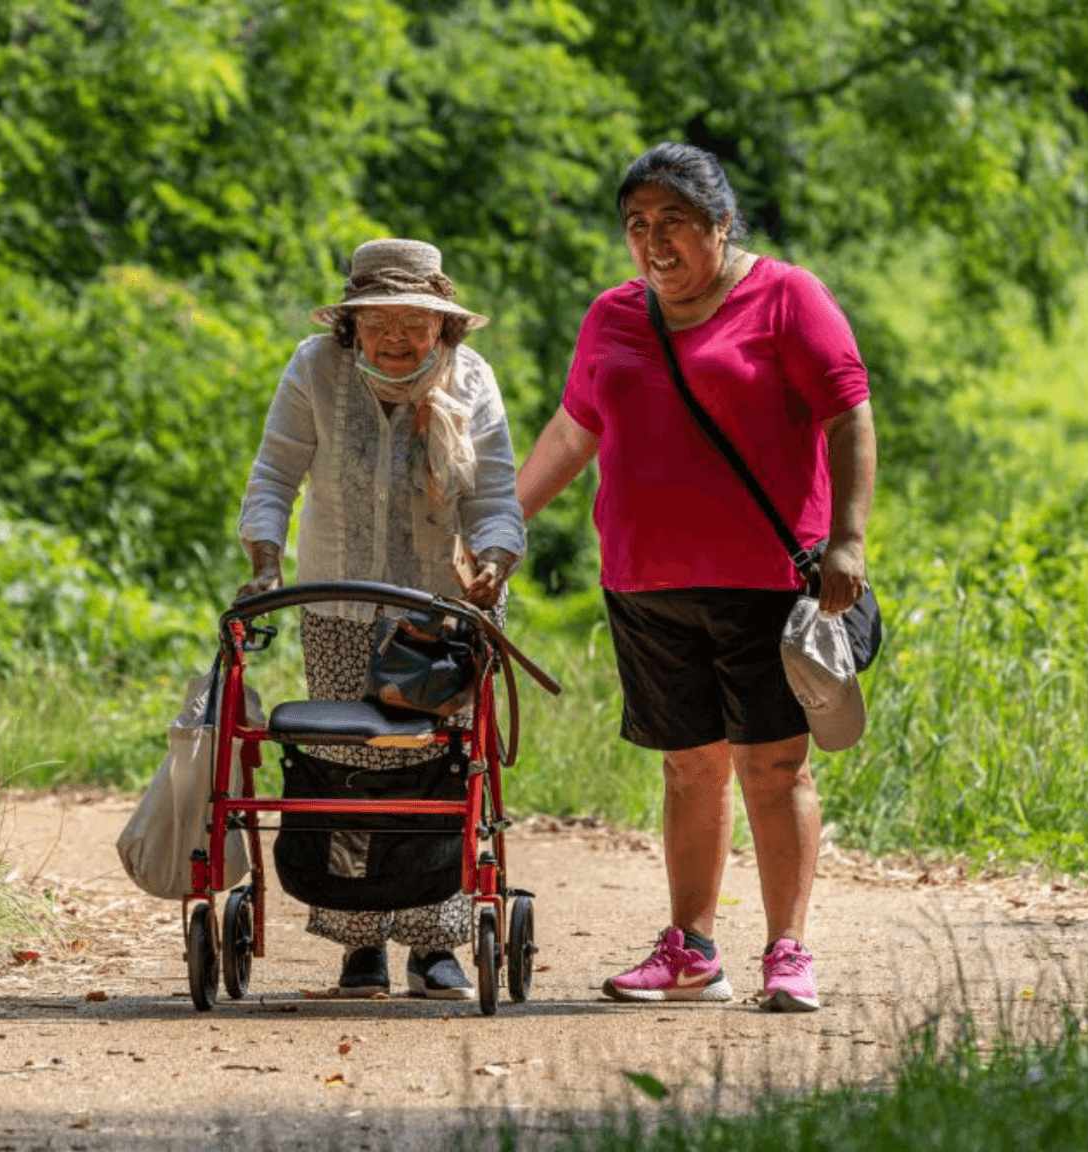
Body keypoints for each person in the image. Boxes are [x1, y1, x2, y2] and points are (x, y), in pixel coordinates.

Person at [516, 142, 877, 1012]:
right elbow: (573, 432)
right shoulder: (612, 315)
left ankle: (788, 951)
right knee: (688, 768)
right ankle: (692, 952)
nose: (654, 242)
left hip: (767, 583)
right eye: (638, 225)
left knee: (774, 765)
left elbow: (849, 416)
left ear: (721, 223)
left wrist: (849, 541)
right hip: (645, 583)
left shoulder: (787, 296)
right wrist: (499, 528)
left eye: (674, 221)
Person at [238, 238, 525, 999]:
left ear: (443, 324)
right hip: (335, 604)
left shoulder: (471, 379)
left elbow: (494, 497)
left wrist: (495, 563)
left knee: (437, 765)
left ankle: (434, 944)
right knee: (346, 765)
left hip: (437, 617)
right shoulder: (315, 369)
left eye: (414, 322)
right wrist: (264, 562)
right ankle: (358, 942)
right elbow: (274, 476)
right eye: (378, 322)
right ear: (351, 324)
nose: (396, 338)